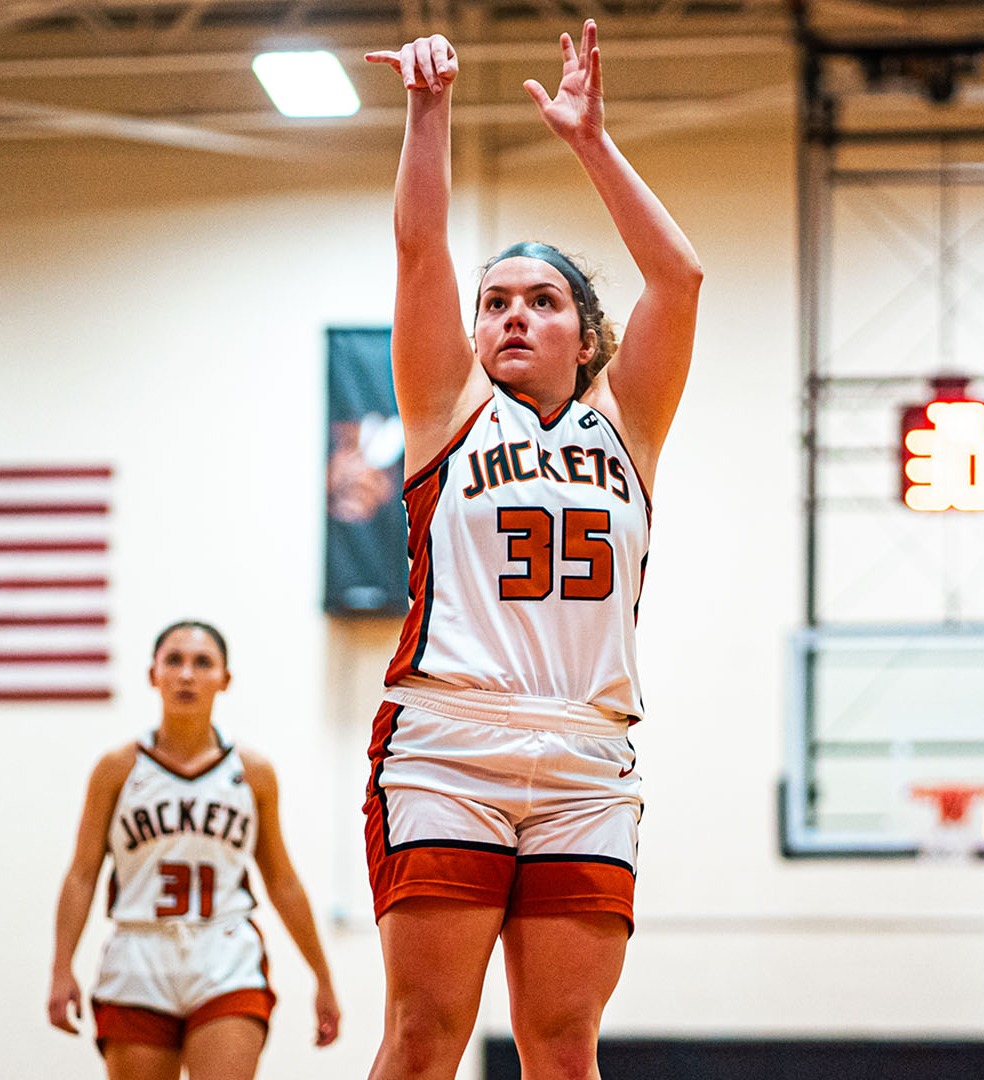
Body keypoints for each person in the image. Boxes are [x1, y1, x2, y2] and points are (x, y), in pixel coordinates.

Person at [360, 19, 702, 1080]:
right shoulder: (447, 410)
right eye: (496, 303)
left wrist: (590, 141)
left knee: (562, 1046)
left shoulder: (629, 424)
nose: (513, 316)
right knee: (425, 1038)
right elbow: (420, 248)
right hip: (449, 743)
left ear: (586, 337)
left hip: (588, 755)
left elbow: (680, 278)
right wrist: (429, 110)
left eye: (542, 301)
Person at [48, 620, 341, 1079]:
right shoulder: (117, 769)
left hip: (225, 952)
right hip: (139, 953)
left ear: (225, 679)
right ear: (153, 674)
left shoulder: (253, 772)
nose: (187, 674)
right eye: (174, 660)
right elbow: (82, 874)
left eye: (203, 662)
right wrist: (61, 967)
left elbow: (281, 879)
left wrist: (321, 976)